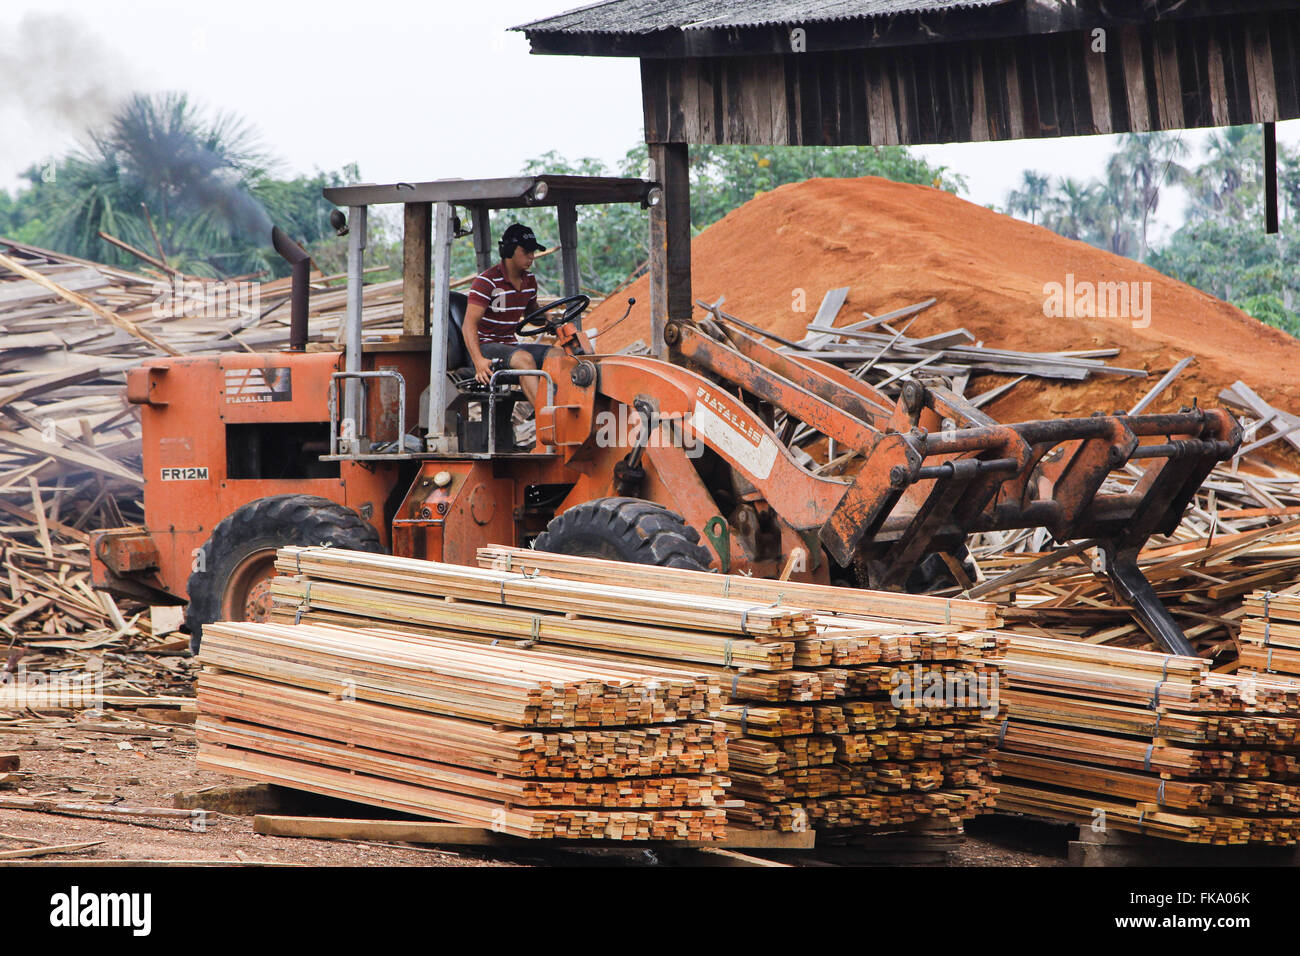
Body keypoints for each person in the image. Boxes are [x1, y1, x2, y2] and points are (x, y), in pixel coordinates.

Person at [462, 223, 553, 407]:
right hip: (485, 346)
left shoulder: (529, 281)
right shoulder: (486, 282)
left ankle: (558, 408)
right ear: (509, 250)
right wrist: (479, 361)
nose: (531, 257)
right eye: (526, 251)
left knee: (558, 356)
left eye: (533, 252)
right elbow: (468, 325)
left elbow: (532, 314)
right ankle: (548, 420)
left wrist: (550, 318)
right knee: (524, 359)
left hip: (509, 345)